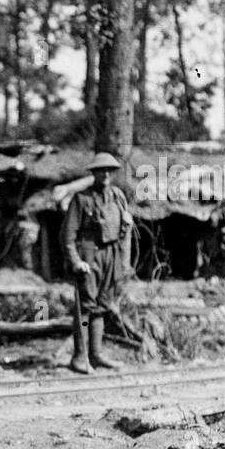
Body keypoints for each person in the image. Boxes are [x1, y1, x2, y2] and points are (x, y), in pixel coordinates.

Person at [61, 151, 134, 374]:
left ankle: (97, 354)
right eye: (100, 171)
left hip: (111, 254)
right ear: (93, 173)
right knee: (85, 307)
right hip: (89, 254)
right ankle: (79, 357)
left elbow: (124, 231)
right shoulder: (81, 199)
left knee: (102, 305)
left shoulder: (117, 196)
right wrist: (76, 261)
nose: (105, 174)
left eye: (109, 171)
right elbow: (68, 236)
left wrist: (123, 261)